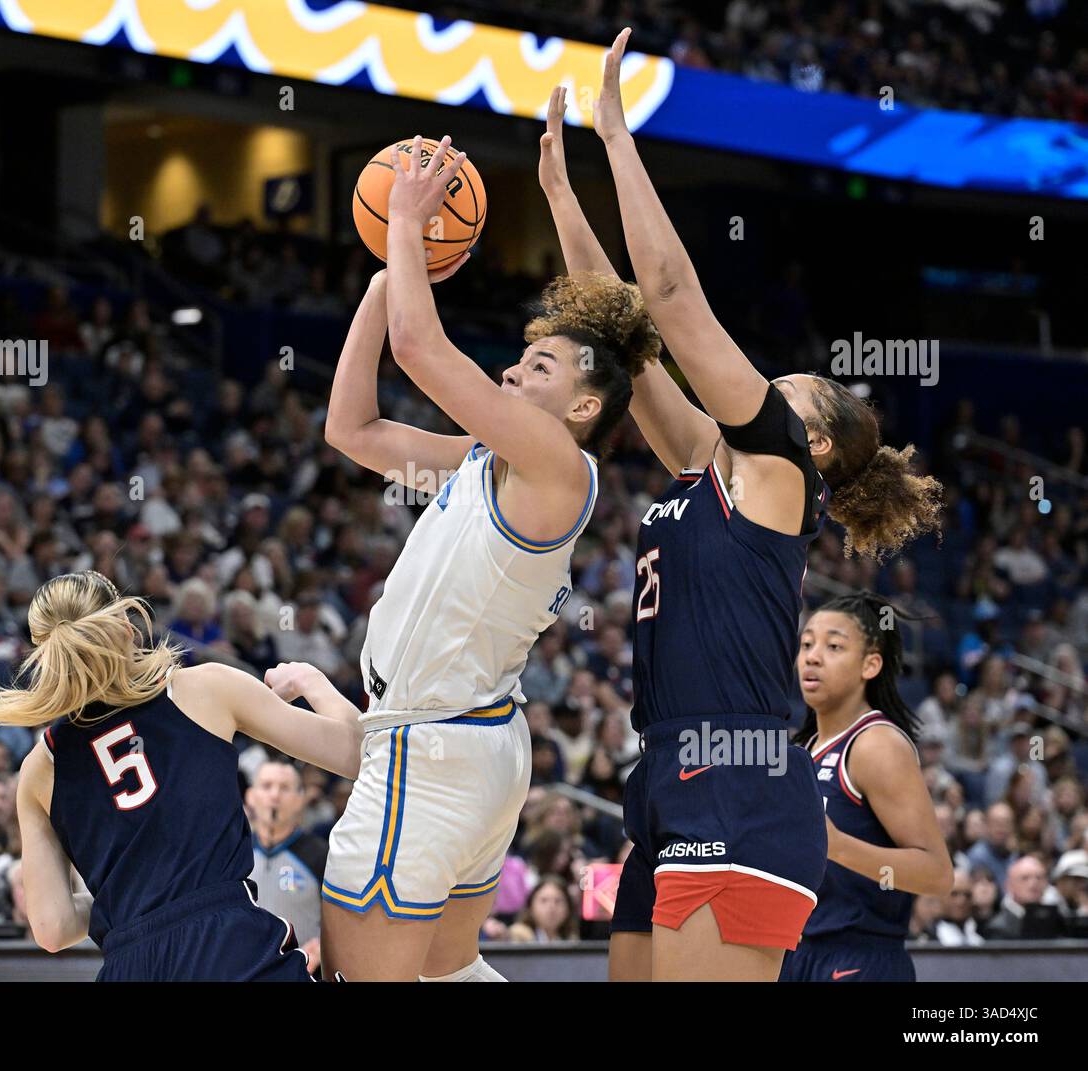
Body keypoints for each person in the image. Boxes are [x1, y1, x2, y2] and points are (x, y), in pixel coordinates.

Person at [552, 32, 943, 982]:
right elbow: (627, 335)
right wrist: (564, 197)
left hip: (739, 774)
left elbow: (676, 297)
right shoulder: (707, 460)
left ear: (811, 443)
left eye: (790, 388)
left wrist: (619, 138)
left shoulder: (780, 473)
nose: (770, 385)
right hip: (666, 765)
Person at [314, 135, 657, 981]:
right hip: (469, 744)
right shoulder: (488, 457)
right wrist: (386, 277)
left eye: (539, 364)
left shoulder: (556, 466)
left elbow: (421, 352)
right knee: (445, 973)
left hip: (428, 754)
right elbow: (351, 430)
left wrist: (404, 226)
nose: (512, 365)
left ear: (584, 403)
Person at [0, 570, 363, 981]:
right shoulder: (202, 688)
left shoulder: (39, 767)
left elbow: (53, 929)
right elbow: (356, 754)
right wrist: (310, 680)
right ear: (126, 624)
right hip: (227, 949)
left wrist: (127, 895)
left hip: (128, 966)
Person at [779, 593, 953, 982]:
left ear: (870, 664)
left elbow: (937, 874)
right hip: (793, 954)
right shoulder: (800, 751)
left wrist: (840, 847)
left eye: (834, 646)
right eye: (806, 644)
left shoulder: (876, 744)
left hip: (857, 960)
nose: (812, 656)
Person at [246, 755, 330, 975]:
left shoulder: (322, 855)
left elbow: (344, 924)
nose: (275, 795)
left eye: (284, 788)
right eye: (266, 786)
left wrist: (323, 948)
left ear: (300, 798)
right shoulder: (233, 854)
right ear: (250, 796)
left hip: (301, 973)